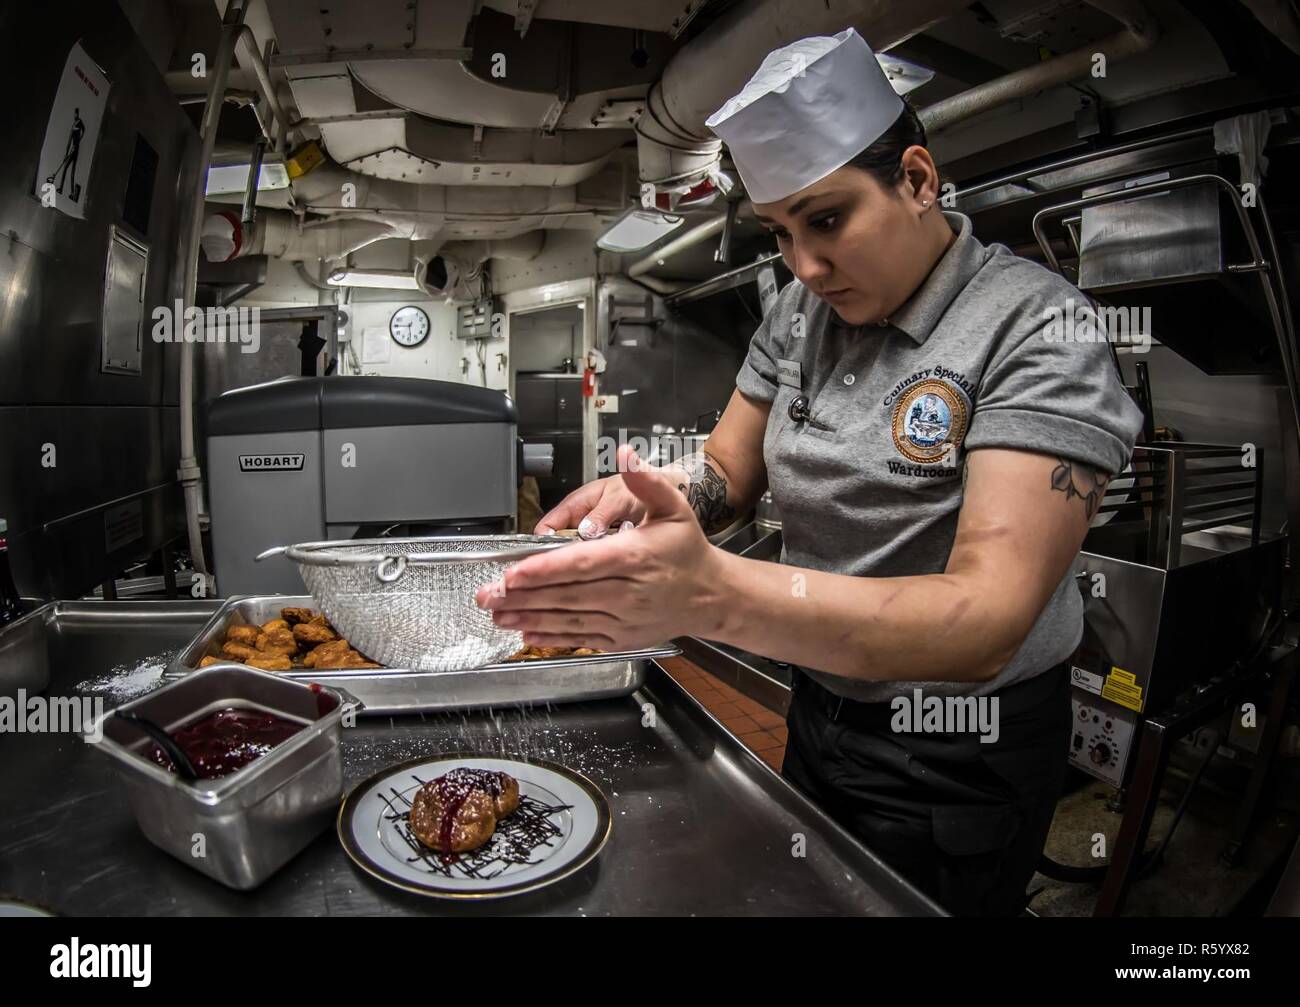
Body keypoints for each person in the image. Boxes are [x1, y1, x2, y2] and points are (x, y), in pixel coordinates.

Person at [475, 27, 1143, 916]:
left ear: (917, 179)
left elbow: (986, 616)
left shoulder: (1034, 328)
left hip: (959, 747)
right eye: (781, 232)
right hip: (821, 704)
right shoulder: (798, 314)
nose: (805, 265)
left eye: (826, 221)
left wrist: (710, 595)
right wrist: (652, 500)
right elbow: (727, 467)